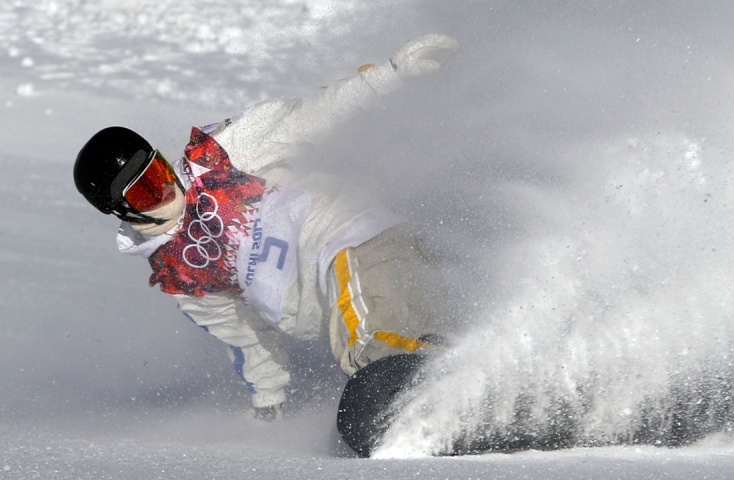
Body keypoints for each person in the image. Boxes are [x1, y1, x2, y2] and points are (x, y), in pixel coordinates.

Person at [73, 34, 458, 421]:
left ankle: (425, 404)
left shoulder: (217, 159)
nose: (167, 187)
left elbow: (307, 118)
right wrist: (268, 399)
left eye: (159, 171)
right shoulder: (182, 273)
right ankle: (471, 375)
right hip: (345, 290)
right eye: (146, 191)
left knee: (369, 347)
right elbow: (246, 336)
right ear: (125, 212)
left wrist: (387, 76)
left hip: (345, 237)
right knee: (422, 327)